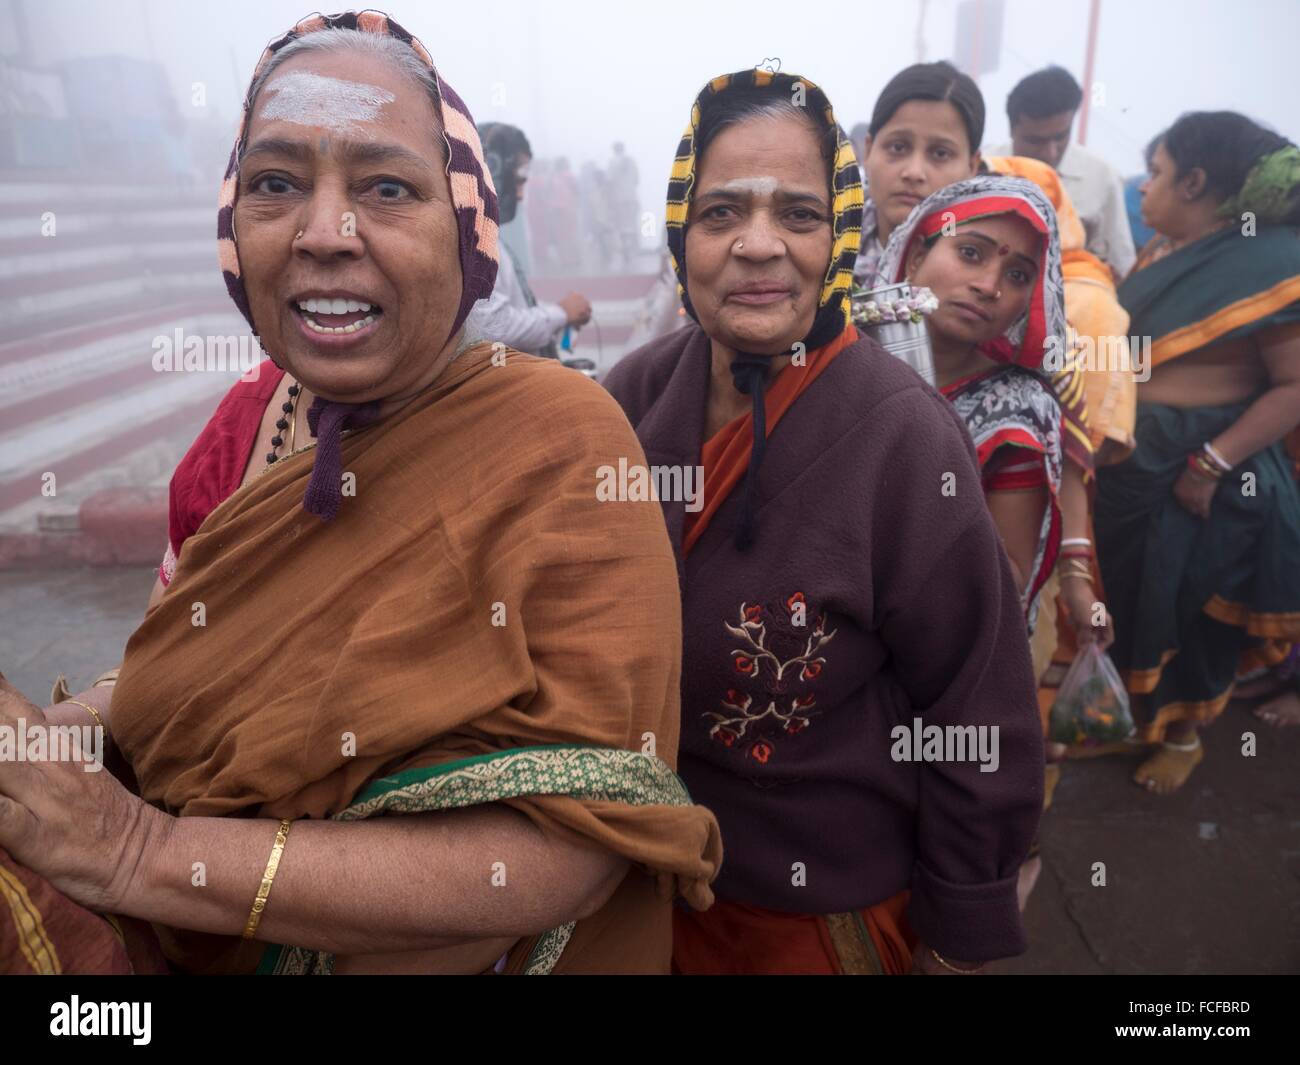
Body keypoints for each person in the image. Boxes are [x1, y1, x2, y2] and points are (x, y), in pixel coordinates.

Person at [1, 12, 721, 976]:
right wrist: (56, 738)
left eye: (387, 187)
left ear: (464, 225)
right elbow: (190, 665)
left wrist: (140, 851)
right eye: (276, 183)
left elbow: (576, 842)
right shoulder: (246, 427)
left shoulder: (567, 446)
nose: (325, 233)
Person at [605, 67, 1044, 975]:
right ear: (683, 233)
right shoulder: (634, 396)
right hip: (627, 873)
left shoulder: (905, 437)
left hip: (807, 910)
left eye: (798, 215)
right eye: (722, 212)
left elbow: (979, 701)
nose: (757, 246)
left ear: (841, 234)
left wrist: (960, 930)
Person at [1095, 111, 1300, 792]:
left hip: (1203, 470)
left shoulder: (1266, 265)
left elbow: (1294, 385)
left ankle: (1182, 737)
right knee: (1128, 601)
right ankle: (1126, 721)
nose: (1144, 189)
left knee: (1185, 607)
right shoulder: (1165, 249)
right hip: (1135, 461)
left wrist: (1211, 464)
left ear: (1194, 181)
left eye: (1154, 174)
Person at [989, 66, 1136, 279]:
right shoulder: (985, 168)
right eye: (1035, 141)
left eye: (1060, 137)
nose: (1051, 152)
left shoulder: (1101, 177)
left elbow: (1121, 263)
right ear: (1011, 130)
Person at [854, 60, 985, 289]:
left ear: (972, 167)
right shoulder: (824, 242)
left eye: (940, 153)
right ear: (868, 150)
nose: (914, 172)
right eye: (898, 147)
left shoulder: (990, 270)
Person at [466, 123, 591, 357]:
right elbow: (494, 326)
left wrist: (560, 314)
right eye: (519, 180)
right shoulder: (473, 241)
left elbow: (509, 307)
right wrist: (560, 314)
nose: (521, 194)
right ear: (493, 172)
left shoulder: (487, 235)